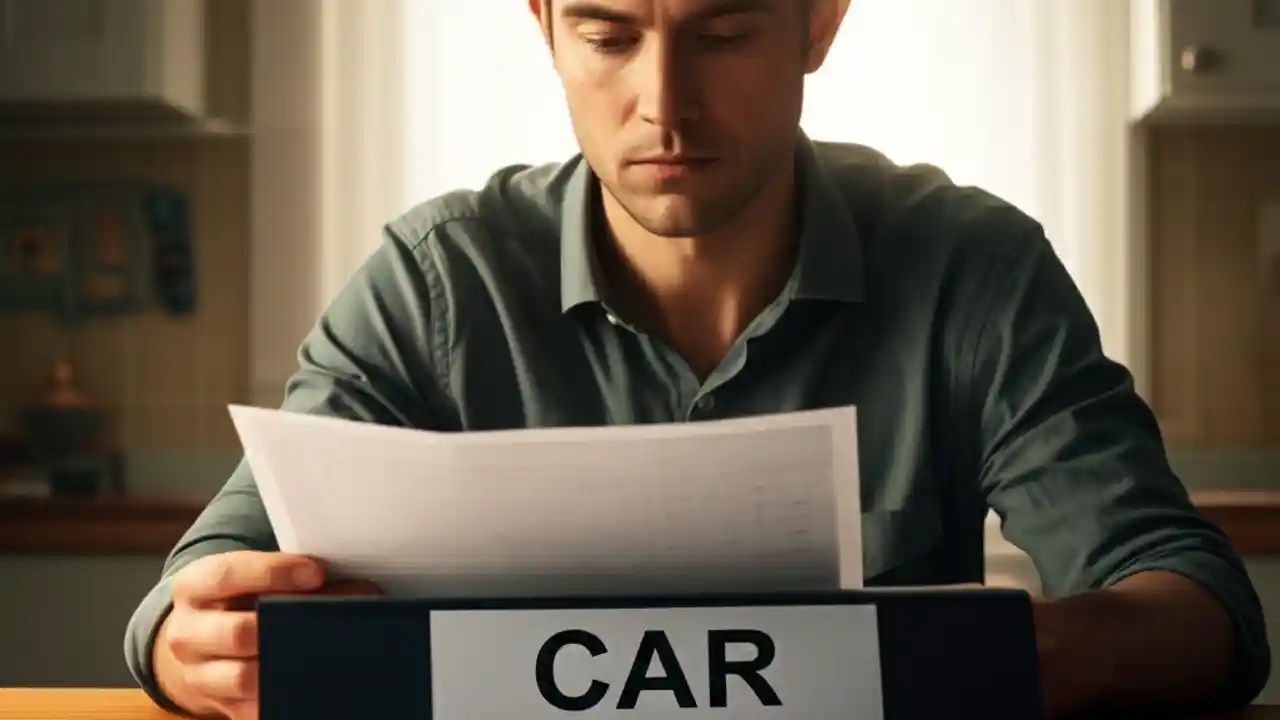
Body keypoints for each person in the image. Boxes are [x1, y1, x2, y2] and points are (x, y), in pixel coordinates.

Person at [125, 1, 1270, 718]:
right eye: (607, 33)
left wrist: (1031, 653)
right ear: (542, 26)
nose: (660, 104)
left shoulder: (971, 266)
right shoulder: (436, 281)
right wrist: (191, 646)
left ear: (819, 23)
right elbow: (206, 583)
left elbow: (1197, 607)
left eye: (721, 33)